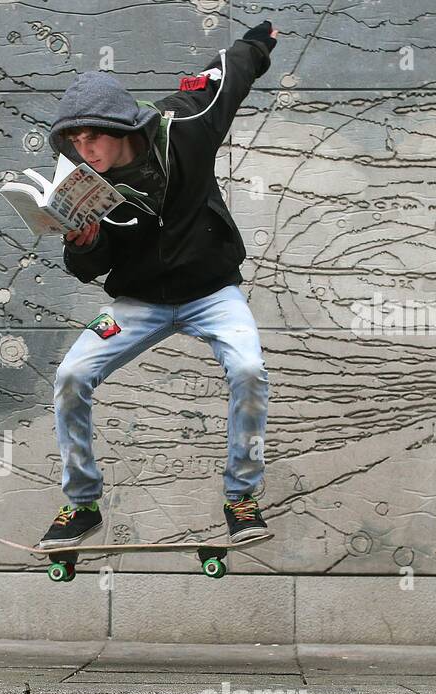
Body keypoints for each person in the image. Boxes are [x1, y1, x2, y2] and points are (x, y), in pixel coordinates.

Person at [39, 21, 280, 550]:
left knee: (248, 369)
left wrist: (258, 42)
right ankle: (81, 504)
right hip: (138, 302)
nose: (87, 149)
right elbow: (87, 269)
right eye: (75, 140)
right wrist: (82, 243)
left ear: (121, 126)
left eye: (94, 136)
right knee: (72, 375)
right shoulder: (82, 181)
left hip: (212, 292)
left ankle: (241, 496)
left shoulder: (184, 125)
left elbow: (225, 77)